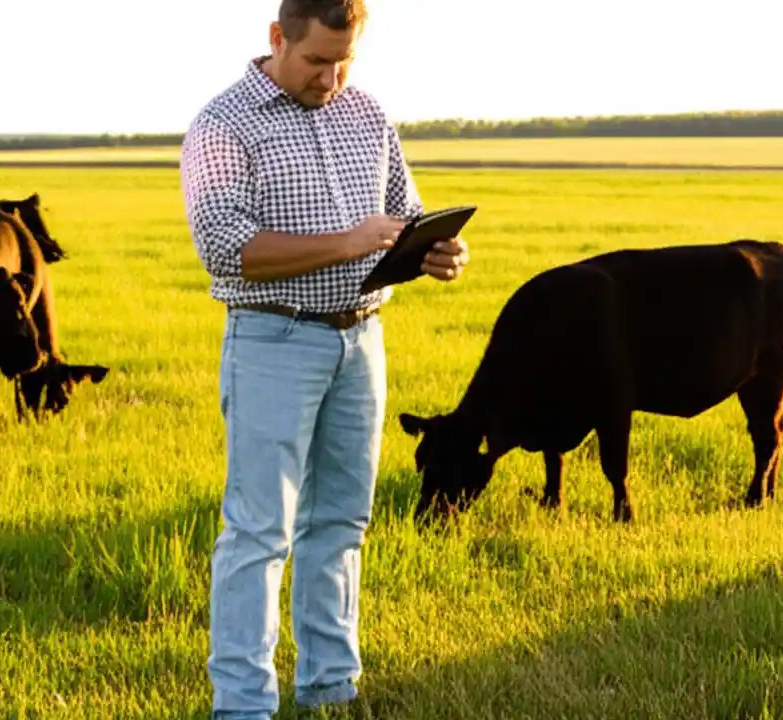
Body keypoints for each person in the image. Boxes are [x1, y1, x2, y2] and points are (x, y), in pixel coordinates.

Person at [179, 1, 469, 717]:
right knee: (259, 530)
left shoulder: (367, 113)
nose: (330, 77)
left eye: (345, 61)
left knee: (341, 521)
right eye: (316, 60)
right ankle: (243, 705)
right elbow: (226, 249)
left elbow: (401, 213)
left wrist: (432, 251)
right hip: (272, 342)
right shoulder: (222, 125)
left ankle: (331, 689)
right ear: (277, 38)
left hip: (361, 339)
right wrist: (347, 241)